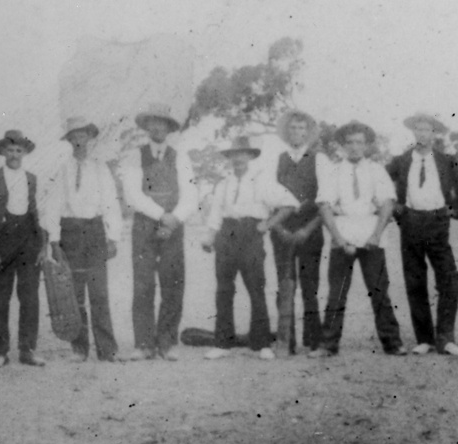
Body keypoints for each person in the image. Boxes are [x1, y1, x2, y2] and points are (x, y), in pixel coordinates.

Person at [313, 121, 406, 358]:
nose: (355, 147)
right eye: (350, 143)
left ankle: (393, 343)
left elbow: (387, 203)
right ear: (343, 145)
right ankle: (328, 344)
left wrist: (376, 235)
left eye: (359, 142)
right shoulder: (333, 171)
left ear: (366, 145)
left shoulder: (376, 170)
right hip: (342, 235)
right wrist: (338, 239)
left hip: (371, 236)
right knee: (337, 293)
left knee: (379, 292)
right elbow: (324, 206)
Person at [202, 136, 298, 361]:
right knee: (224, 289)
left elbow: (290, 203)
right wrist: (209, 237)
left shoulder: (261, 180)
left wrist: (267, 224)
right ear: (229, 158)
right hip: (226, 235)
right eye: (234, 155)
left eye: (242, 154)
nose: (238, 159)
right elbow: (215, 213)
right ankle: (222, 343)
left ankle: (261, 343)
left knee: (256, 288)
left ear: (250, 157)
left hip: (250, 234)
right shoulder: (224, 183)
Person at [385, 113, 458, 357]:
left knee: (449, 279)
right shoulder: (401, 161)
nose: (422, 134)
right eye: (418, 130)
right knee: (415, 280)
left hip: (438, 221)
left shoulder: (447, 160)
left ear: (434, 134)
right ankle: (424, 339)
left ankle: (445, 338)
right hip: (410, 221)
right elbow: (380, 180)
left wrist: (455, 207)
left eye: (427, 130)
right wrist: (396, 206)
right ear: (413, 133)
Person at [119, 104, 197, 362]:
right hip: (145, 226)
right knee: (143, 284)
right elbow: (132, 194)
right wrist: (160, 215)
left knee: (173, 283)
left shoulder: (181, 157)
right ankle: (144, 343)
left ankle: (167, 342)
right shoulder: (135, 156)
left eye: (162, 123)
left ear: (169, 128)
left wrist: (174, 218)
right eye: (153, 123)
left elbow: (191, 195)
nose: (157, 127)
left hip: (173, 225)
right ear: (147, 127)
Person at [44, 116, 123, 363]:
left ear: (89, 138)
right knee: (74, 293)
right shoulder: (61, 169)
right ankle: (79, 348)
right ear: (69, 140)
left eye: (83, 136)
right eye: (74, 136)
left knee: (99, 292)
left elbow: (111, 203)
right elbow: (52, 207)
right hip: (70, 233)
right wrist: (54, 242)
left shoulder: (100, 168)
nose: (79, 140)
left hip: (95, 232)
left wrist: (113, 237)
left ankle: (107, 349)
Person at [0, 130, 47, 368]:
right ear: (3, 152)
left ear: (24, 153)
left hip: (28, 240)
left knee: (29, 298)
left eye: (19, 150)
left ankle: (27, 349)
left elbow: (40, 212)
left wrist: (42, 245)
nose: (14, 154)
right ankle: (0, 351)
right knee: (1, 298)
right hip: (2, 241)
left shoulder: (33, 178)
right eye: (10, 150)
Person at [270, 109, 330, 355]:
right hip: (282, 230)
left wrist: (308, 229)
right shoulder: (276, 159)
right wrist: (279, 227)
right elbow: (268, 197)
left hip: (309, 230)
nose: (297, 132)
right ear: (287, 132)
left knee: (309, 285)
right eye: (293, 128)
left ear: (308, 133)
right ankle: (286, 340)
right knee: (285, 284)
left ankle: (313, 338)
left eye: (301, 129)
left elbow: (326, 200)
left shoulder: (320, 160)